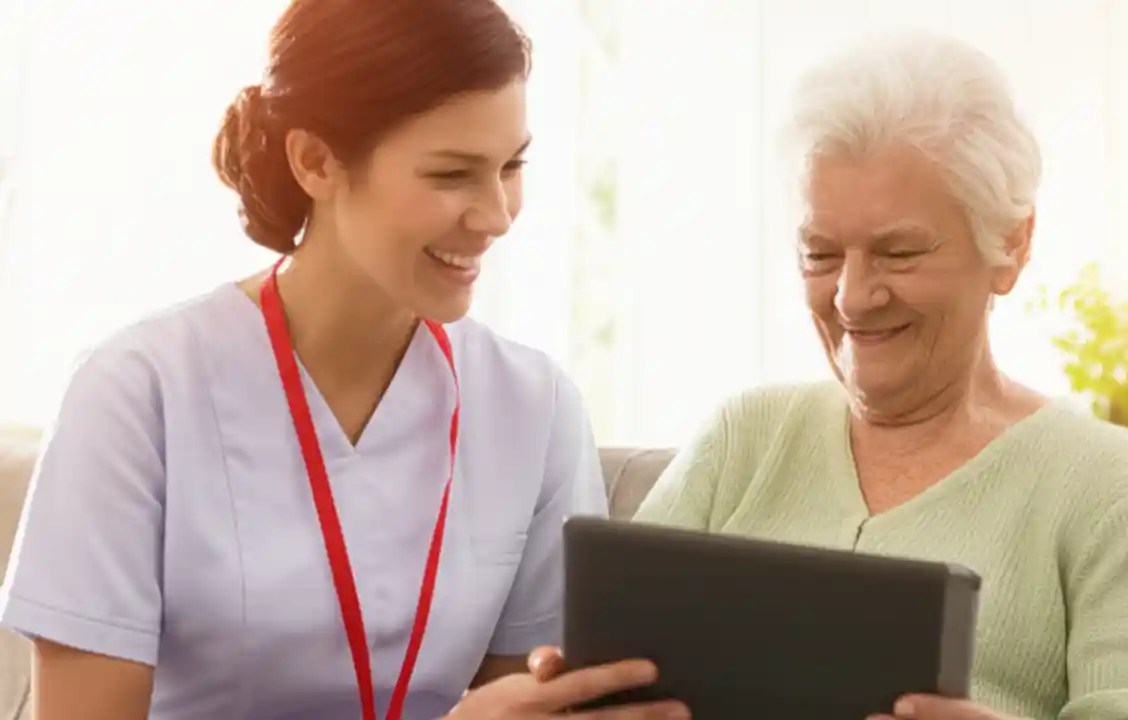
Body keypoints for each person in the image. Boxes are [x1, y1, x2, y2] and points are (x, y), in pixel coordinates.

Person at [0, 1, 688, 719]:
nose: (496, 215)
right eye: (452, 174)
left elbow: (535, 701)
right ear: (315, 161)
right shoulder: (137, 393)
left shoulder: (534, 406)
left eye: (511, 165)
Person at [631, 32, 1128, 719]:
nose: (852, 297)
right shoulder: (742, 441)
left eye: (900, 252)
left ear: (1010, 244)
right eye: (821, 254)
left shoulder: (1108, 484)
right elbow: (597, 674)